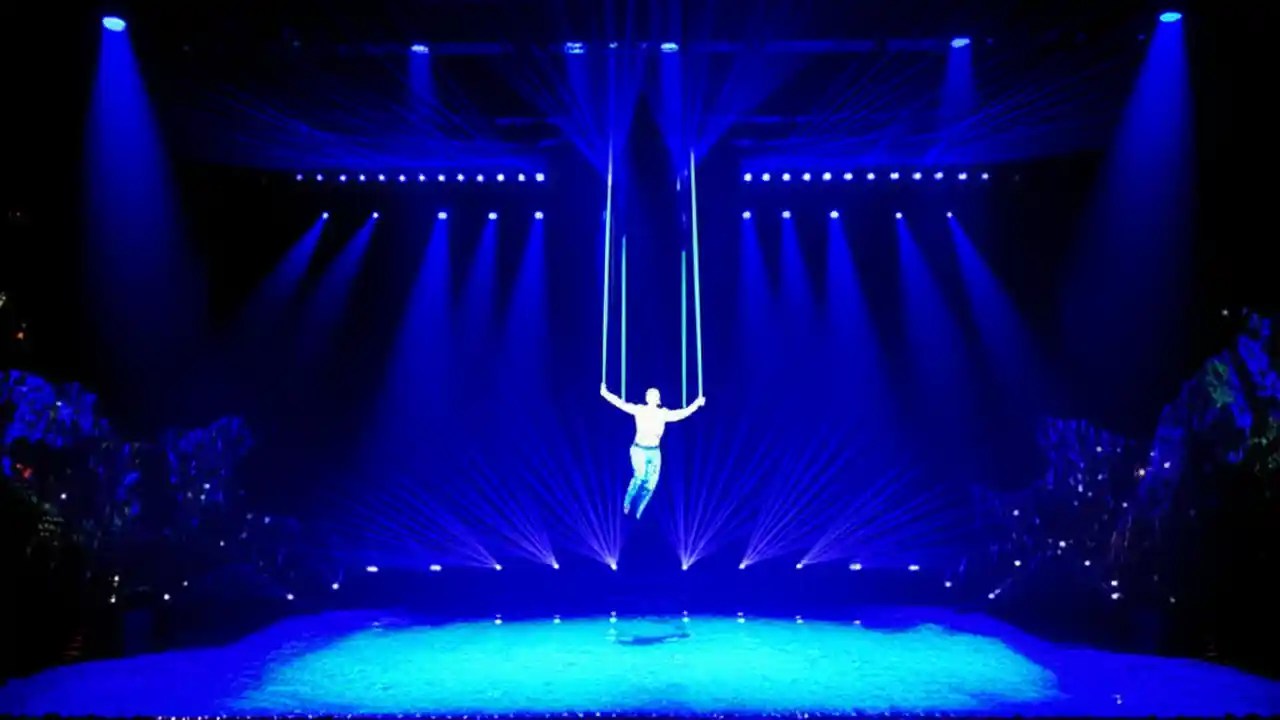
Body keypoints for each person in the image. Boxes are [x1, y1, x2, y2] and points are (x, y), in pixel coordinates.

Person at [600, 384, 706, 518]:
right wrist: (605, 393)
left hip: (654, 452)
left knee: (651, 483)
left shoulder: (663, 413)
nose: (651, 397)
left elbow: (681, 413)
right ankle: (627, 502)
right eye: (649, 394)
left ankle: (639, 510)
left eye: (654, 395)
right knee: (640, 476)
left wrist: (696, 403)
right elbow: (620, 403)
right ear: (646, 397)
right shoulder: (639, 410)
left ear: (658, 399)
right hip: (639, 449)